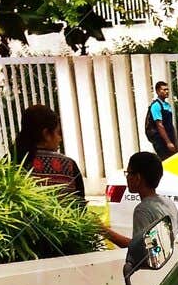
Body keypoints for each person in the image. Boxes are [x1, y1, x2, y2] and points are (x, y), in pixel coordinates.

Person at [14, 104, 123, 246]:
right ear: (46, 134)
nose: (60, 139)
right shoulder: (68, 165)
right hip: (67, 244)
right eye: (58, 133)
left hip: (25, 246)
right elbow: (79, 208)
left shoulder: (11, 163)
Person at [123, 150, 178, 271]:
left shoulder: (142, 210)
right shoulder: (168, 202)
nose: (127, 177)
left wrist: (104, 231)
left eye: (128, 173)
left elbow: (141, 249)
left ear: (138, 178)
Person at [146, 81, 178, 157]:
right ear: (157, 91)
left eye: (167, 89)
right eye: (164, 90)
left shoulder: (167, 105)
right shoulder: (156, 105)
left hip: (169, 136)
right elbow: (159, 125)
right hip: (161, 140)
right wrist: (168, 142)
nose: (166, 91)